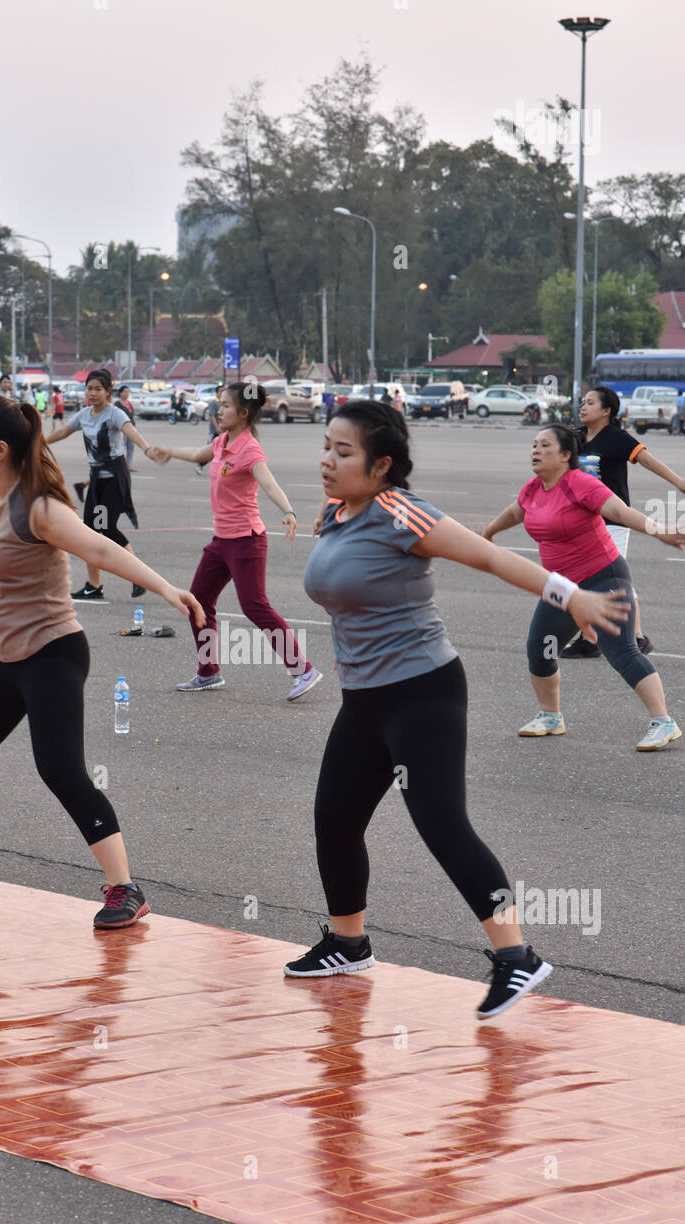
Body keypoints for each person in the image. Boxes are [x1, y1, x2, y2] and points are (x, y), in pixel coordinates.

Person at [288, 400, 632, 1018]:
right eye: (326, 447)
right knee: (334, 818)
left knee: (441, 822)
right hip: (364, 698)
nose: (327, 461)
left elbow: (492, 557)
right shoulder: (338, 513)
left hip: (424, 693)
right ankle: (348, 942)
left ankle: (516, 956)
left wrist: (572, 595)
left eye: (344, 452)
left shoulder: (403, 512)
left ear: (381, 464)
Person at [0, 395, 204, 928]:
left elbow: (102, 550)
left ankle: (125, 889)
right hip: (8, 657)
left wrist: (164, 588)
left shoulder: (39, 507)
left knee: (60, 770)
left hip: (53, 655)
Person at [483, 424, 683, 750]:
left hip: (604, 577)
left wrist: (658, 529)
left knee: (621, 651)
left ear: (565, 455)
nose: (535, 450)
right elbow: (514, 513)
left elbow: (620, 511)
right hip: (563, 587)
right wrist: (489, 532)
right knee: (541, 647)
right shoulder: (533, 489)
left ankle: (663, 722)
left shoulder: (581, 484)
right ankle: (551, 717)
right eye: (534, 445)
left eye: (544, 445)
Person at [149, 381, 323, 700]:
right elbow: (197, 454)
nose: (219, 409)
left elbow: (268, 482)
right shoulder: (221, 443)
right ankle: (208, 672)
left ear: (243, 413)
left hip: (247, 542)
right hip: (221, 543)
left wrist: (287, 510)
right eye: (219, 404)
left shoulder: (249, 449)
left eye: (226, 405)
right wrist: (169, 452)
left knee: (255, 606)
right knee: (197, 602)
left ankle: (304, 669)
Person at [561, 387, 685, 658]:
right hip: (583, 523)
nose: (583, 407)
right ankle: (596, 638)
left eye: (590, 403)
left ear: (606, 411)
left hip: (613, 520)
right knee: (588, 577)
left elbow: (647, 460)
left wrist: (679, 482)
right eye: (582, 403)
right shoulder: (578, 438)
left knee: (613, 577)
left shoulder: (615, 438)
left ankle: (629, 637)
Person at [44, 368, 154, 600]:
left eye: (98, 389)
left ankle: (138, 577)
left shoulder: (114, 413)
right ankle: (94, 586)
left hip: (114, 478)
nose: (92, 393)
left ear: (108, 392)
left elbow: (130, 430)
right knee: (89, 532)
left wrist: (147, 448)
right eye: (89, 388)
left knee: (106, 529)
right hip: (96, 480)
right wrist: (36, 442)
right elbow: (63, 431)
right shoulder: (84, 415)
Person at [115, 385, 135, 469]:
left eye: (128, 392)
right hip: (122, 429)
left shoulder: (129, 403)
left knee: (131, 447)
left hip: (131, 428)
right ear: (120, 393)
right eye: (125, 392)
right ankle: (120, 465)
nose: (127, 394)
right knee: (121, 447)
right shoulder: (117, 404)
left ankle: (128, 466)